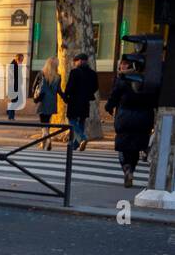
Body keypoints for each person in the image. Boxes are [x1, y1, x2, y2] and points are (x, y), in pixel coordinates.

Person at [106, 58, 158, 188]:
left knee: (123, 147)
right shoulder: (149, 80)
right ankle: (131, 169)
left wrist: (109, 107)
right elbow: (155, 99)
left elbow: (113, 97)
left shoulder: (123, 79)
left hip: (125, 118)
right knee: (135, 147)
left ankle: (127, 169)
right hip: (144, 119)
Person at [63, 52, 97, 152]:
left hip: (74, 100)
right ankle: (76, 145)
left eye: (76, 61)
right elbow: (96, 87)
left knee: (72, 120)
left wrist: (66, 96)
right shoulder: (93, 73)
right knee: (81, 121)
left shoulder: (75, 72)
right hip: (85, 101)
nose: (75, 63)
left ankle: (82, 137)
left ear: (80, 61)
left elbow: (69, 86)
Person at [32, 56, 63, 150]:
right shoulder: (58, 77)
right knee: (47, 122)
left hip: (42, 100)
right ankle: (43, 143)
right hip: (52, 102)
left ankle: (47, 139)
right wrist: (66, 98)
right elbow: (59, 91)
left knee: (43, 122)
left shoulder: (41, 74)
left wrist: (35, 95)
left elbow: (34, 87)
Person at [7, 53, 24, 120]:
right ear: (17, 59)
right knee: (15, 101)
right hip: (13, 86)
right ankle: (11, 116)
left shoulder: (17, 65)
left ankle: (9, 111)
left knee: (19, 101)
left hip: (17, 86)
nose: (22, 61)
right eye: (21, 60)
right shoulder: (12, 66)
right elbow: (13, 77)